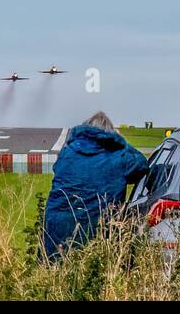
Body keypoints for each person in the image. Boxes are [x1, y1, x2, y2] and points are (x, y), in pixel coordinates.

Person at [42, 110, 146, 260]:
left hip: (57, 225)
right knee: (94, 273)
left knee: (57, 269)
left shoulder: (67, 153)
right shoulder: (119, 157)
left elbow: (58, 170)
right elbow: (142, 165)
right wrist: (121, 142)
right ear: (111, 134)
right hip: (97, 227)